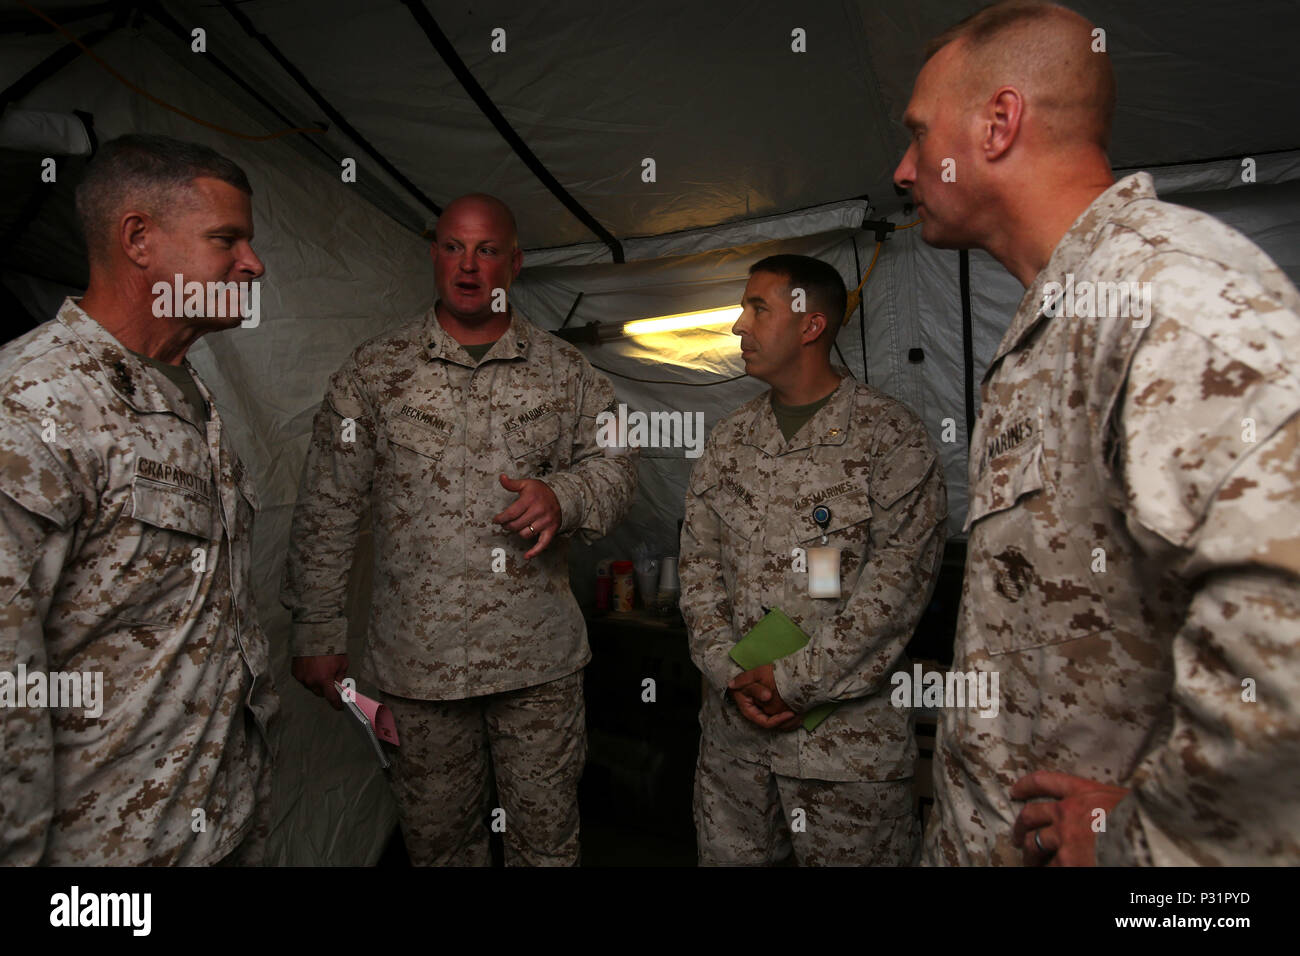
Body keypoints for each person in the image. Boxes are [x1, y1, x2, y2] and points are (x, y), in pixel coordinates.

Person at [894, 0, 1300, 865]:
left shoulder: (1167, 295)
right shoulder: (1062, 317)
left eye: (920, 133)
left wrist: (1152, 842)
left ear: (998, 123)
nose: (902, 168)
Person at [282, 193, 636, 866]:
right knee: (441, 848)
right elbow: (328, 503)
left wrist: (565, 495)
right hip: (421, 668)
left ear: (516, 262)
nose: (468, 266)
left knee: (547, 848)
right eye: (452, 247)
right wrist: (316, 630)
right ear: (434, 255)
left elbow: (618, 466)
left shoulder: (568, 373)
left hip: (537, 665)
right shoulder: (375, 373)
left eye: (487, 249)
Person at [0, 134, 278, 865]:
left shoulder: (182, 393)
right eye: (228, 240)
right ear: (138, 239)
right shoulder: (33, 405)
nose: (252, 263)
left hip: (218, 828)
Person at [679, 254, 947, 865]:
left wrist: (793, 681)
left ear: (810, 324)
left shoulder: (891, 439)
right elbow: (697, 568)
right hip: (735, 747)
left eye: (758, 308)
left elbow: (897, 592)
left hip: (845, 755)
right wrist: (728, 671)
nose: (738, 327)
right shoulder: (728, 441)